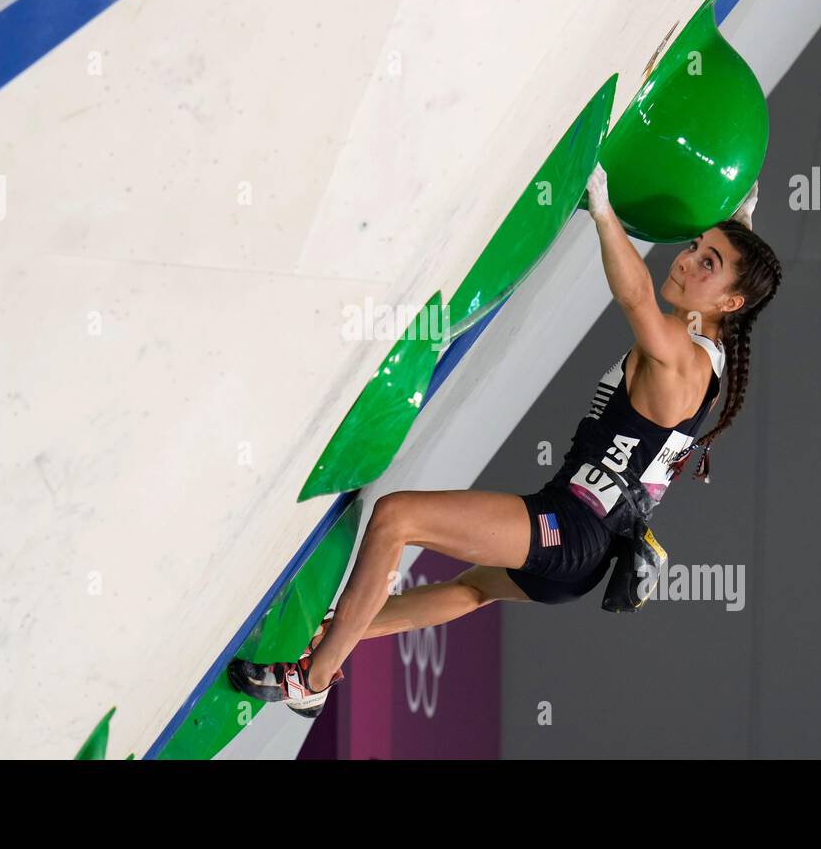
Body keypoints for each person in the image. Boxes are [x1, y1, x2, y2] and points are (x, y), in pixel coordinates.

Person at [227, 164, 782, 715]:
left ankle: (313, 680)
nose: (686, 259)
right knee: (473, 589)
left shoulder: (681, 360)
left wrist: (603, 209)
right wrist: (741, 219)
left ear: (729, 303)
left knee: (396, 518)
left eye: (706, 262)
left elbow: (636, 299)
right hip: (592, 555)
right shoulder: (714, 349)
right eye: (693, 246)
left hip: (572, 532)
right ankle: (341, 634)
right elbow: (724, 291)